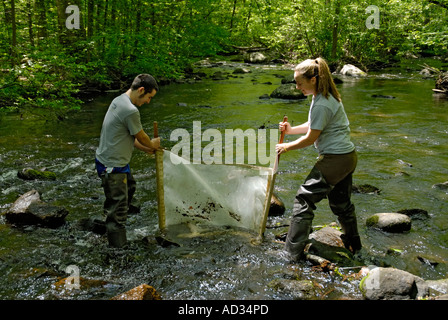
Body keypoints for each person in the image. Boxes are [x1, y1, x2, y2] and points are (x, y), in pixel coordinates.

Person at [275, 57, 361, 261]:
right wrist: (291, 130)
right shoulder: (324, 96)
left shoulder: (322, 103)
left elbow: (312, 137)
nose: (297, 87)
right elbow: (315, 124)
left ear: (313, 79)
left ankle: (291, 252)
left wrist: (287, 146)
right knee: (341, 203)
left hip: (336, 159)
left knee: (303, 199)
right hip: (347, 158)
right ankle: (354, 244)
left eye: (299, 82)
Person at [95, 74, 161, 248]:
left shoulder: (119, 100)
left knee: (130, 187)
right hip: (113, 167)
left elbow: (131, 137)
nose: (148, 101)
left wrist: (148, 148)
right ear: (141, 90)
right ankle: (119, 252)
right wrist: (152, 145)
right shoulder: (130, 110)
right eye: (149, 97)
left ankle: (110, 216)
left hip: (110, 161)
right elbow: (143, 137)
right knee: (118, 215)